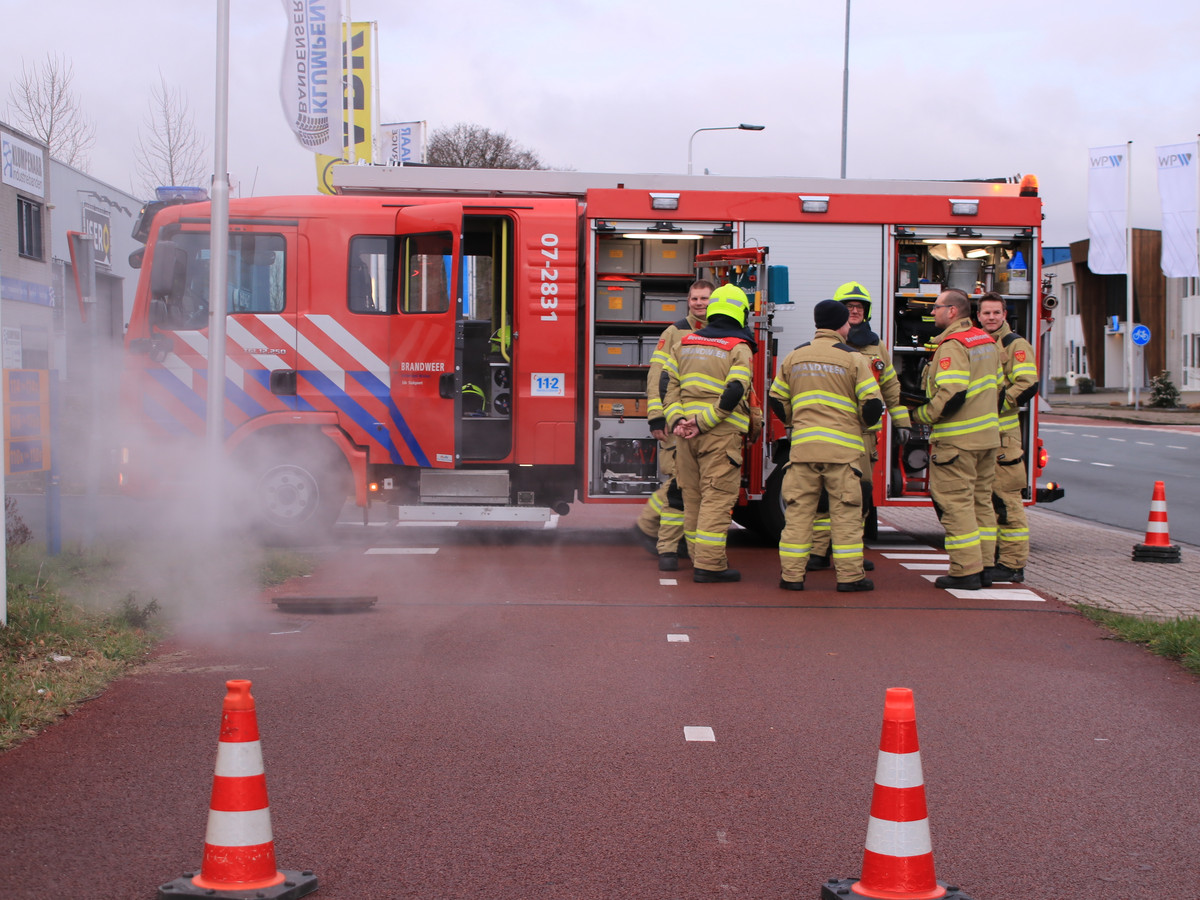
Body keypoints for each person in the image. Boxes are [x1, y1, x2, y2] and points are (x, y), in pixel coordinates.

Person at [768, 299, 884, 591]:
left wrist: (795, 421)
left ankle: (791, 577)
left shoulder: (796, 356)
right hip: (842, 454)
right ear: (843, 324)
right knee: (845, 516)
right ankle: (850, 578)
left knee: (797, 515)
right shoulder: (854, 358)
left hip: (804, 451)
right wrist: (858, 426)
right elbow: (872, 405)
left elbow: (776, 399)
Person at [807, 281, 912, 573]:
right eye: (849, 307)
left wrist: (901, 420)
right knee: (824, 494)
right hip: (831, 429)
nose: (854, 311)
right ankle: (818, 551)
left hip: (864, 433)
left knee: (859, 494)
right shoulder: (826, 342)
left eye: (859, 307)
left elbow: (890, 385)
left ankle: (850, 553)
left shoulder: (875, 346)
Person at [663, 284, 757, 583]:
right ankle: (710, 565)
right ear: (740, 312)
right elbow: (734, 392)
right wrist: (704, 421)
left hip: (684, 434)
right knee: (716, 499)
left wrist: (679, 420)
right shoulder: (738, 348)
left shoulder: (685, 342)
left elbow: (669, 386)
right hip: (719, 433)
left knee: (692, 498)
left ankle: (696, 557)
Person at [911, 288, 1001, 590]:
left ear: (952, 312)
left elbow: (952, 394)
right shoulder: (986, 341)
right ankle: (986, 567)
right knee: (981, 503)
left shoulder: (953, 345)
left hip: (957, 442)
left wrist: (921, 415)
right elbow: (997, 388)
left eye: (936, 307)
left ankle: (965, 571)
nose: (932, 312)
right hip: (987, 438)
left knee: (956, 505)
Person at [634, 279, 715, 571]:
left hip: (707, 424)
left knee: (691, 487)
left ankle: (674, 539)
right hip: (678, 420)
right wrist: (657, 416)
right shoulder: (675, 332)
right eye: (695, 298)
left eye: (705, 298)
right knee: (677, 485)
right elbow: (658, 376)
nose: (699, 303)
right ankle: (654, 532)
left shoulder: (720, 332)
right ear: (688, 301)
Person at [976, 291, 1039, 583]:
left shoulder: (1015, 344)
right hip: (984, 436)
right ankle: (992, 559)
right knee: (987, 502)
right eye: (986, 313)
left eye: (996, 313)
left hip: (1004, 437)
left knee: (1006, 502)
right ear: (978, 316)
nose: (991, 317)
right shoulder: (978, 343)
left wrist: (996, 404)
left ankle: (1013, 564)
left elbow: (1027, 383)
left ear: (1004, 315)